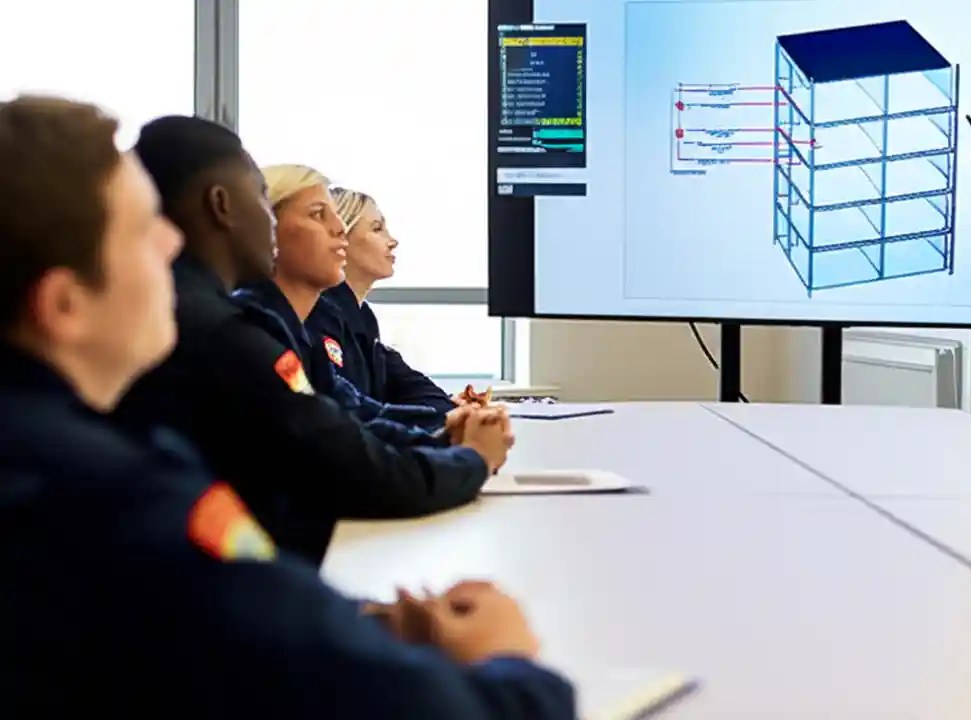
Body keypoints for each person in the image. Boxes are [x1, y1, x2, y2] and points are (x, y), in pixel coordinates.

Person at [0, 95, 574, 717]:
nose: (172, 245)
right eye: (142, 231)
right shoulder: (115, 491)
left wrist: (343, 627)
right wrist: (508, 659)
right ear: (64, 307)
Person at [115, 116, 511, 565]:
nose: (266, 217)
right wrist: (473, 460)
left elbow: (344, 421)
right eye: (262, 199)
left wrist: (444, 439)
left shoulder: (211, 317)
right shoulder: (224, 335)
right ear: (222, 205)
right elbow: (358, 473)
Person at [231, 165, 439, 429]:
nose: (339, 228)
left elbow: (356, 411)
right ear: (267, 227)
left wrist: (450, 426)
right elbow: (333, 435)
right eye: (318, 214)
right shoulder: (256, 331)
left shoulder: (302, 336)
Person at [309, 187, 484, 414]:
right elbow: (350, 409)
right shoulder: (320, 314)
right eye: (377, 229)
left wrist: (449, 409)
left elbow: (406, 383)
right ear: (341, 237)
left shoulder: (362, 317)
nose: (392, 241)